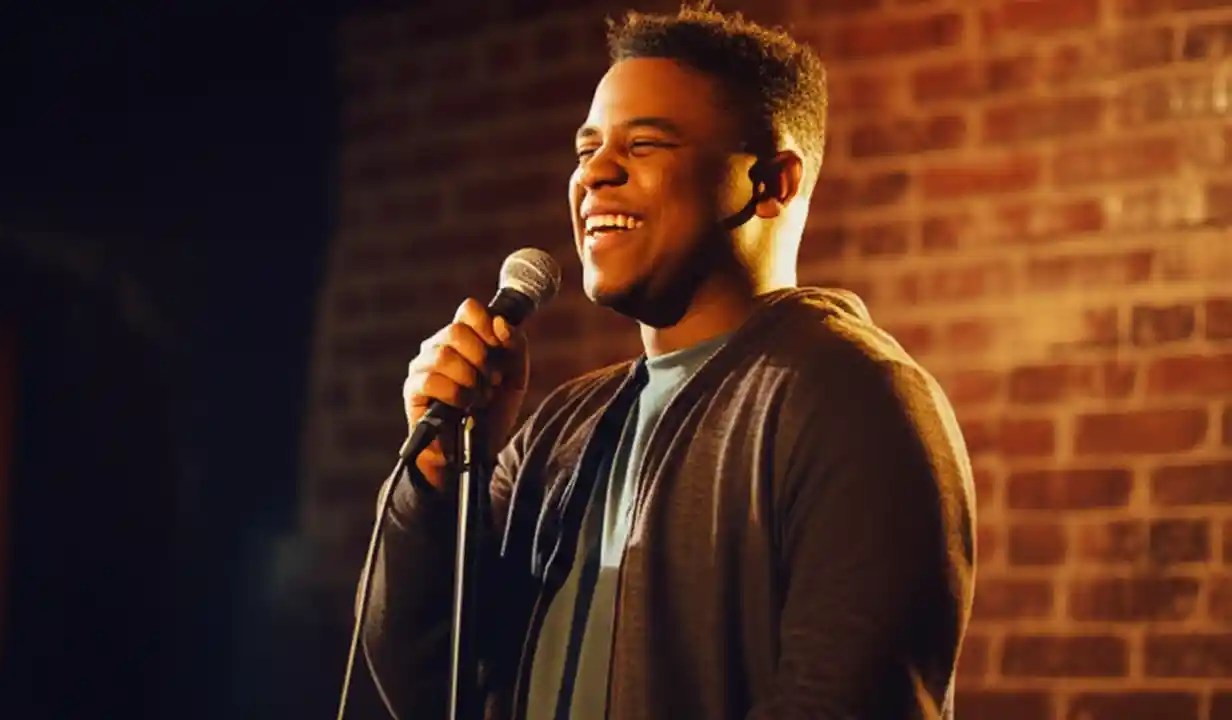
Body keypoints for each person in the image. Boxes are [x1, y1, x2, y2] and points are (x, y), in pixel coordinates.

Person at [362, 5, 976, 719]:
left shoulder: (854, 398)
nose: (595, 173)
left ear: (771, 183)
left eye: (645, 145)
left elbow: (846, 702)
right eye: (586, 148)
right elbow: (428, 686)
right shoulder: (563, 428)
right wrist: (438, 478)